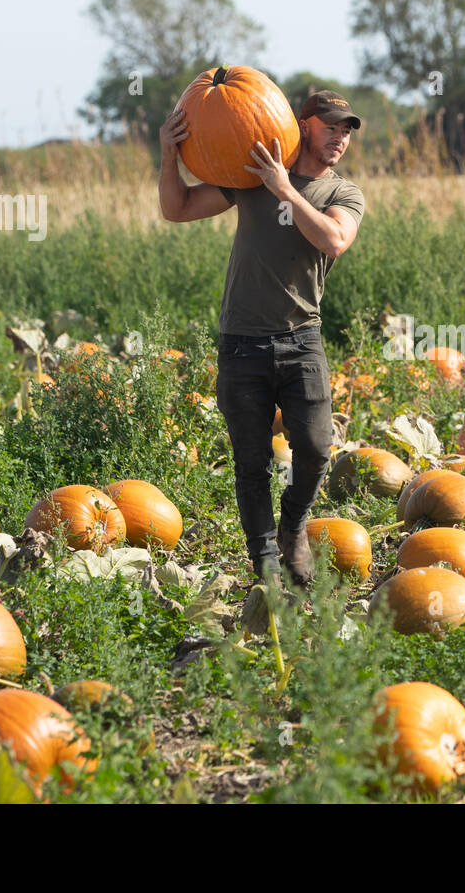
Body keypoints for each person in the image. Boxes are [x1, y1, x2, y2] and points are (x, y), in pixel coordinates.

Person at [158, 90, 365, 589]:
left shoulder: (344, 193)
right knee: (251, 463)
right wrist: (168, 154)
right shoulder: (250, 175)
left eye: (347, 129)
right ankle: (266, 561)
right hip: (242, 342)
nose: (340, 137)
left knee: (315, 448)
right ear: (302, 126)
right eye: (330, 126)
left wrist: (286, 190)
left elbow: (334, 240)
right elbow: (178, 208)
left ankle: (294, 523)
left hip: (302, 340)